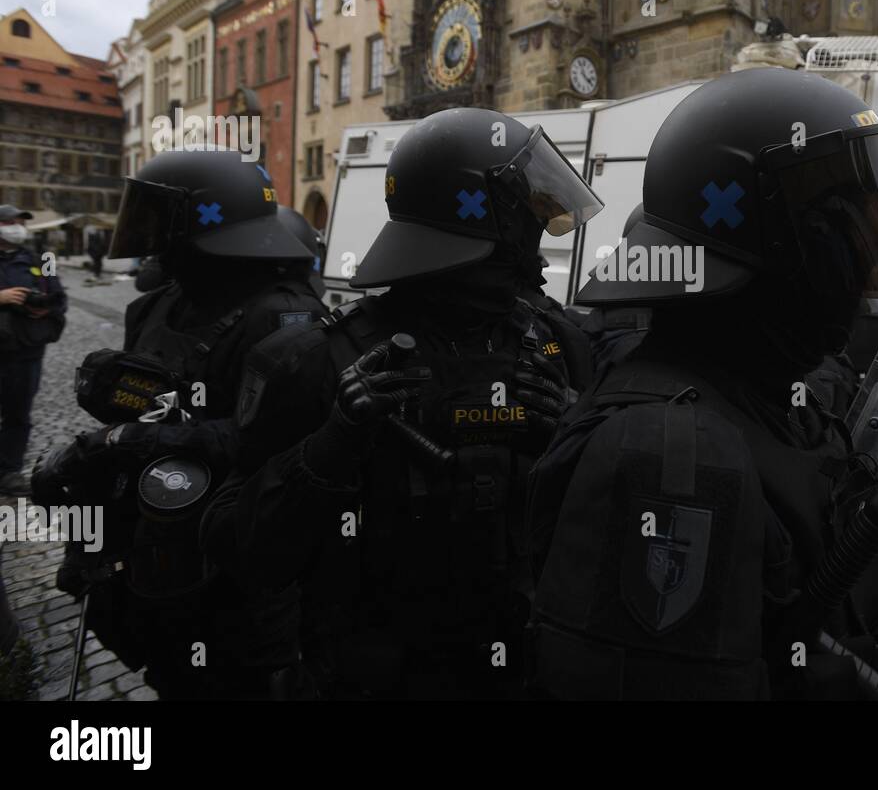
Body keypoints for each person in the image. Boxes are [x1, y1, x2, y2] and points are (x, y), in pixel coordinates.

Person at [527, 68, 878, 700]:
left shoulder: (783, 405)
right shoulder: (668, 454)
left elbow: (804, 619)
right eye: (849, 238)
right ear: (776, 246)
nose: (865, 275)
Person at [203, 108, 603, 699]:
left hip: (523, 662)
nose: (541, 231)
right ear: (486, 221)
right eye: (530, 210)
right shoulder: (314, 357)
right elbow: (239, 548)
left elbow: (606, 529)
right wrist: (330, 449)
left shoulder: (558, 342)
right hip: (371, 674)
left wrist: (575, 437)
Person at [32, 149, 325, 699]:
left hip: (235, 564)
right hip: (151, 546)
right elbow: (140, 411)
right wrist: (87, 530)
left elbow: (268, 445)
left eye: (155, 214)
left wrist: (118, 442)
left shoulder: (284, 316)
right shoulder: (154, 307)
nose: (144, 230)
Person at [0, 204, 66, 496]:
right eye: (9, 221)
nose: (17, 226)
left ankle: (9, 471)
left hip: (26, 349)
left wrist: (45, 308)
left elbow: (59, 297)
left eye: (20, 221)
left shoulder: (42, 259)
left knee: (19, 413)